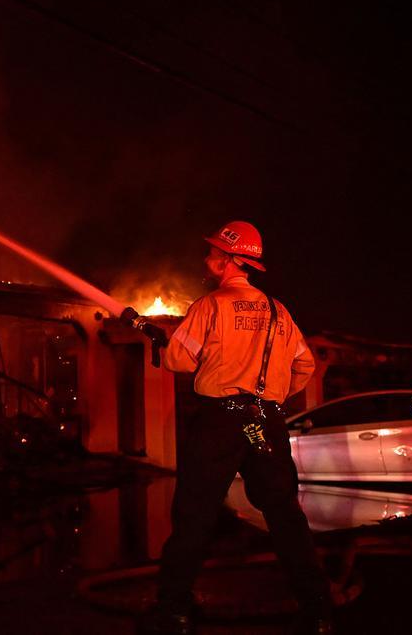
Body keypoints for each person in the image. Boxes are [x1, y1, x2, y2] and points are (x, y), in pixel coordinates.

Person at [140, 221, 333, 635]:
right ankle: (318, 611)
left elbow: (178, 361)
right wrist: (270, 400)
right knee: (284, 515)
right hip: (265, 424)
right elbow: (305, 365)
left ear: (229, 261)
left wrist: (175, 347)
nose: (206, 258)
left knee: (194, 515)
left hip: (220, 422)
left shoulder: (210, 306)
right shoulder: (280, 311)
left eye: (212, 253)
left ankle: (173, 612)